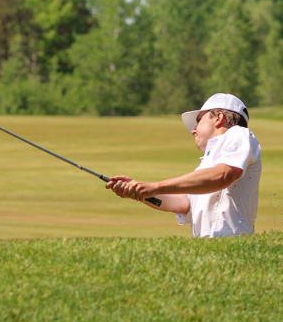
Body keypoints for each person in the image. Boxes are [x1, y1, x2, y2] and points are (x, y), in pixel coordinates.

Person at [106, 93, 261, 238]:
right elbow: (183, 203)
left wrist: (154, 187)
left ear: (218, 117)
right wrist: (139, 191)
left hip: (232, 241)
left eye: (199, 120)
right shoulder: (206, 164)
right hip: (208, 248)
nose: (193, 131)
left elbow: (223, 175)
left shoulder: (238, 134)